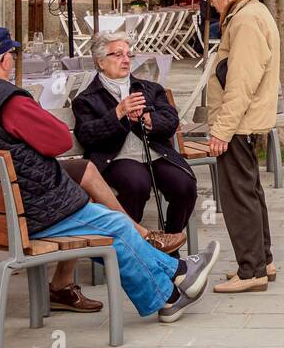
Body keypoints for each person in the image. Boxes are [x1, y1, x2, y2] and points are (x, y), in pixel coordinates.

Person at [0, 26, 219, 323]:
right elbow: (60, 141)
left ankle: (177, 280)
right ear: (4, 61)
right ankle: (171, 288)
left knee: (109, 220)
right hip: (22, 213)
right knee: (114, 224)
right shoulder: (8, 100)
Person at [72, 31, 196, 245]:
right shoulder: (87, 99)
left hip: (156, 153)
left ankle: (170, 241)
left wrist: (150, 120)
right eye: (118, 54)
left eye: (129, 54)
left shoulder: (149, 88)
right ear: (100, 62)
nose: (126, 60)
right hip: (116, 158)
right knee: (136, 184)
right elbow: (87, 135)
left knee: (184, 183)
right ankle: (133, 245)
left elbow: (170, 119)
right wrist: (117, 114)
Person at [201, 0, 280, 292]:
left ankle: (252, 271)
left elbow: (241, 81)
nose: (210, 3)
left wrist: (221, 129)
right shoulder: (249, 13)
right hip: (245, 121)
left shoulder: (246, 20)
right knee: (249, 191)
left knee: (238, 196)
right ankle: (262, 260)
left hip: (239, 122)